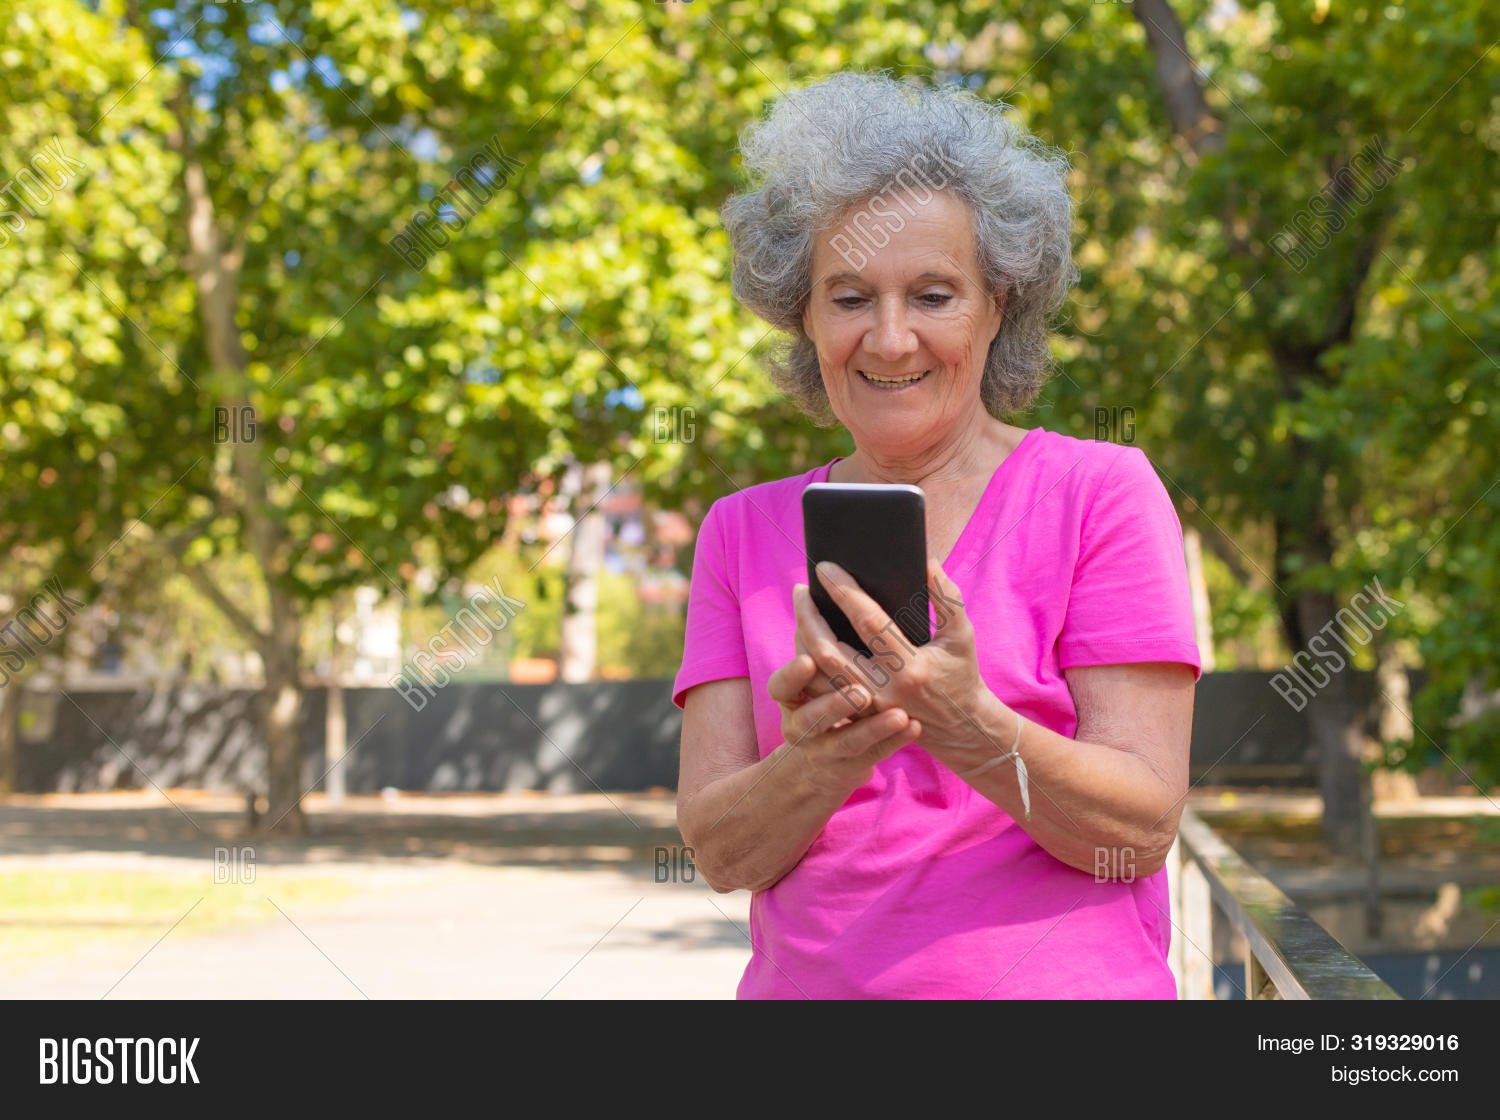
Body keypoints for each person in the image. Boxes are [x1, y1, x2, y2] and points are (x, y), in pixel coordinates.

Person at [672, 72, 1201, 999]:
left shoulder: (1101, 493)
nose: (888, 339)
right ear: (801, 312)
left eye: (932, 294)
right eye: (848, 298)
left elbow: (1140, 832)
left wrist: (968, 725)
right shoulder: (738, 531)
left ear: (998, 303)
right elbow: (721, 855)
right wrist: (825, 753)